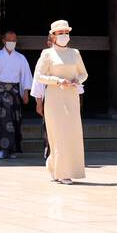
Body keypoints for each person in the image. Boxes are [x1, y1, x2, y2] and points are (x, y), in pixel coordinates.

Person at [34, 20, 87, 183]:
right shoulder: (47, 54)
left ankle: (67, 169)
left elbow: (84, 73)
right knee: (58, 134)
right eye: (60, 33)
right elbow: (39, 76)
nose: (64, 36)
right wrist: (57, 80)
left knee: (72, 134)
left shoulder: (75, 53)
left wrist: (77, 80)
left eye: (66, 32)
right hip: (55, 97)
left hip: (71, 96)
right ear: (53, 36)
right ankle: (61, 172)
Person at [0, 30, 33, 159]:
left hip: (15, 92)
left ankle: (12, 150)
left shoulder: (21, 58)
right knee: (1, 121)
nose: (11, 42)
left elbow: (26, 77)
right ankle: (2, 149)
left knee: (15, 121)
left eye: (14, 40)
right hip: (0, 92)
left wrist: (26, 93)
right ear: (3, 41)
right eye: (9, 40)